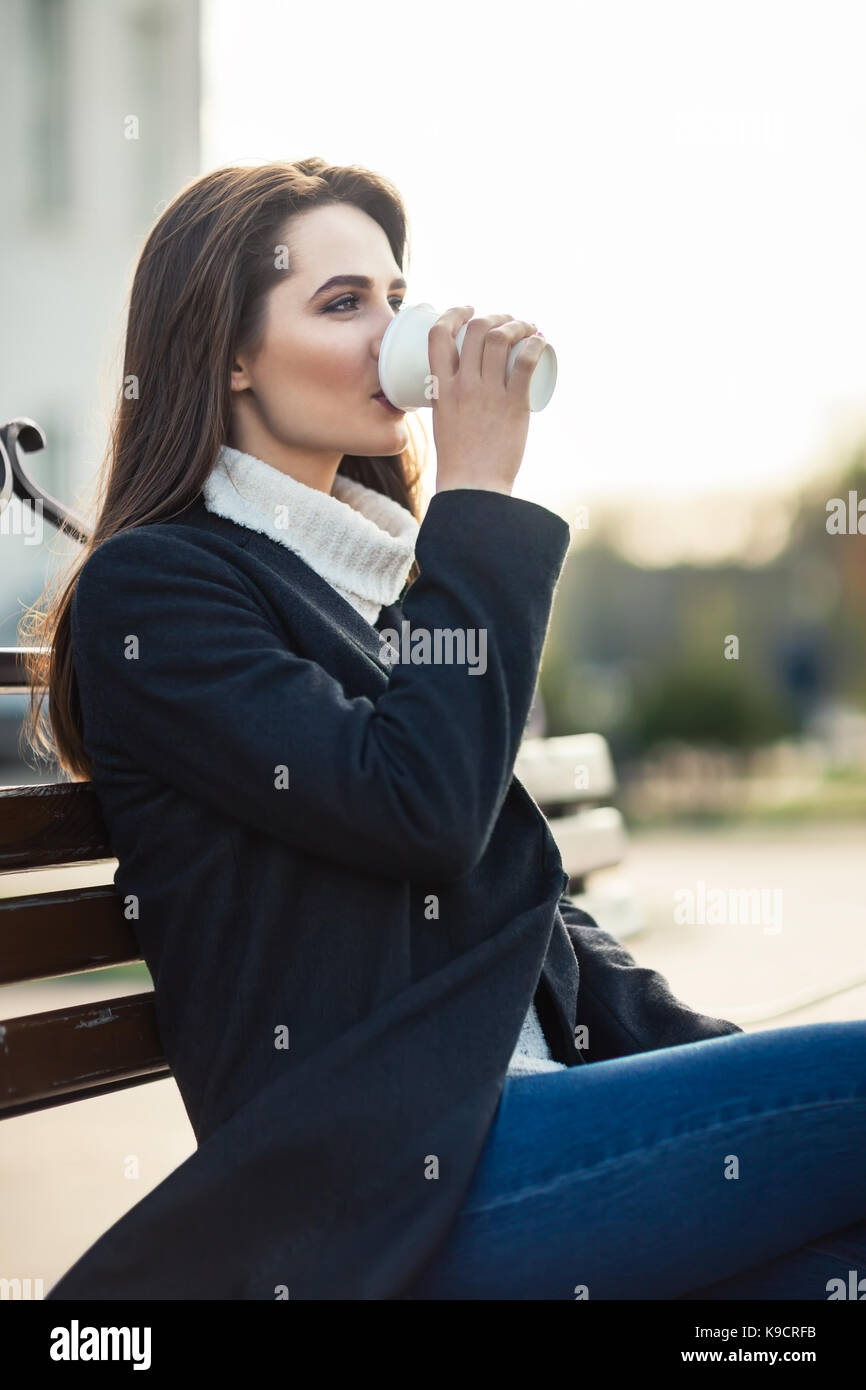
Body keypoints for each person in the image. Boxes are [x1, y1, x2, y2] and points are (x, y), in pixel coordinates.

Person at [23, 159, 866, 1301]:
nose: (391, 332)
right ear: (225, 354)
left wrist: (726, 1063)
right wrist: (476, 498)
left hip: (533, 1134)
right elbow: (415, 808)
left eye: (392, 293)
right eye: (340, 303)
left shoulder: (375, 586)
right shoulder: (161, 590)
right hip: (394, 1190)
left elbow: (531, 916)